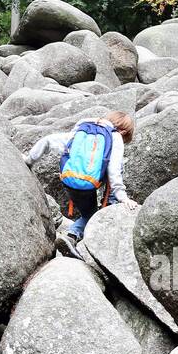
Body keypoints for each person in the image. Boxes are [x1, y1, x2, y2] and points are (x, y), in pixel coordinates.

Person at [24, 111, 134, 259]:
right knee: (92, 216)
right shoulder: (115, 136)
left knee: (87, 213)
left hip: (69, 180)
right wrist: (123, 197)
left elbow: (48, 140)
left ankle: (71, 236)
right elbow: (114, 170)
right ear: (123, 131)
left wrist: (29, 160)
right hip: (89, 184)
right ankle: (72, 235)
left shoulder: (83, 130)